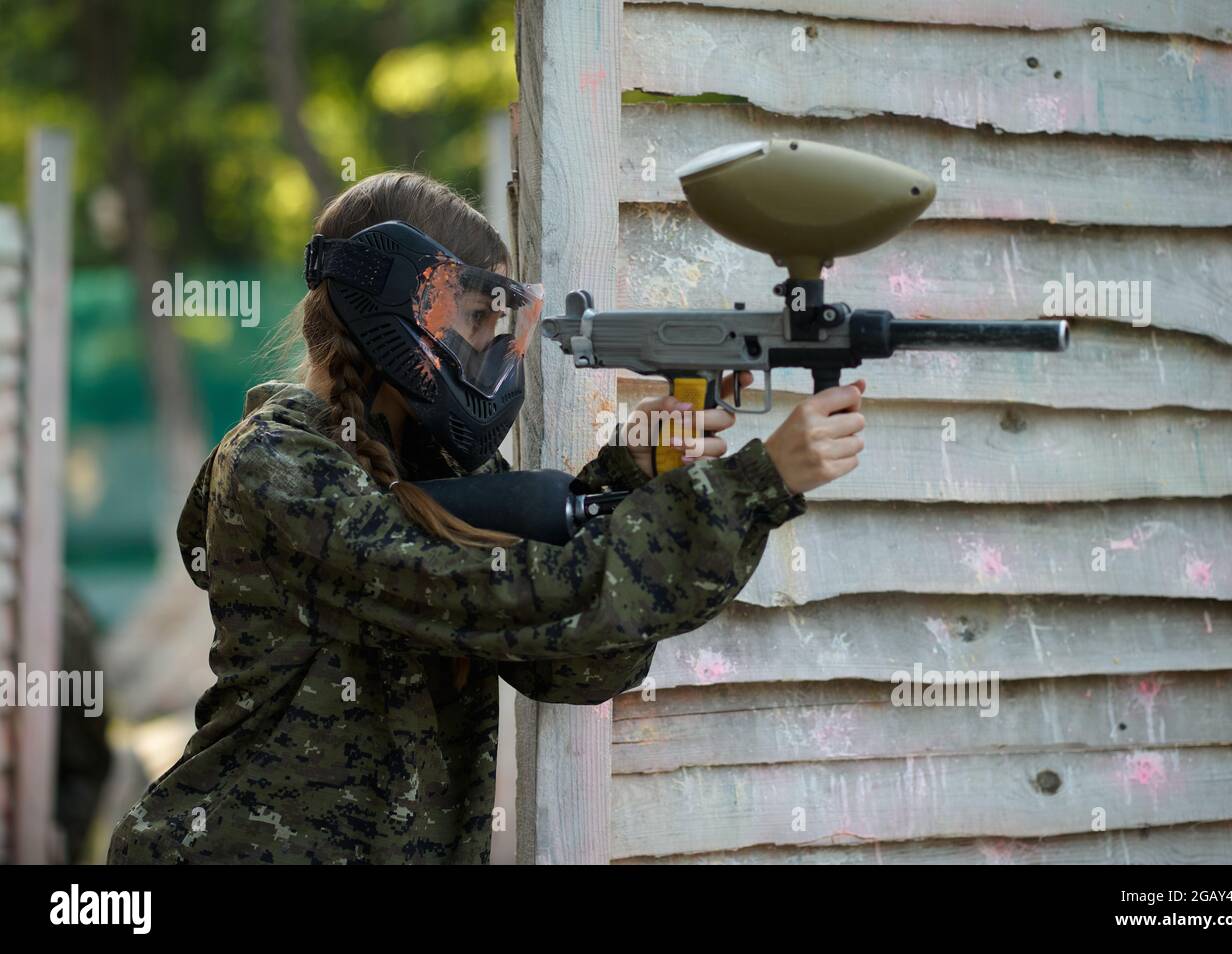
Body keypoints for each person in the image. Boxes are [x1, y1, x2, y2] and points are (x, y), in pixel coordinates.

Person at [107, 171, 866, 864]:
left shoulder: (441, 468)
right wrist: (757, 485)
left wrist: (630, 477)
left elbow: (572, 658)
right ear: (396, 305)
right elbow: (504, 594)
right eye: (474, 317)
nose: (491, 347)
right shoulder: (277, 465)